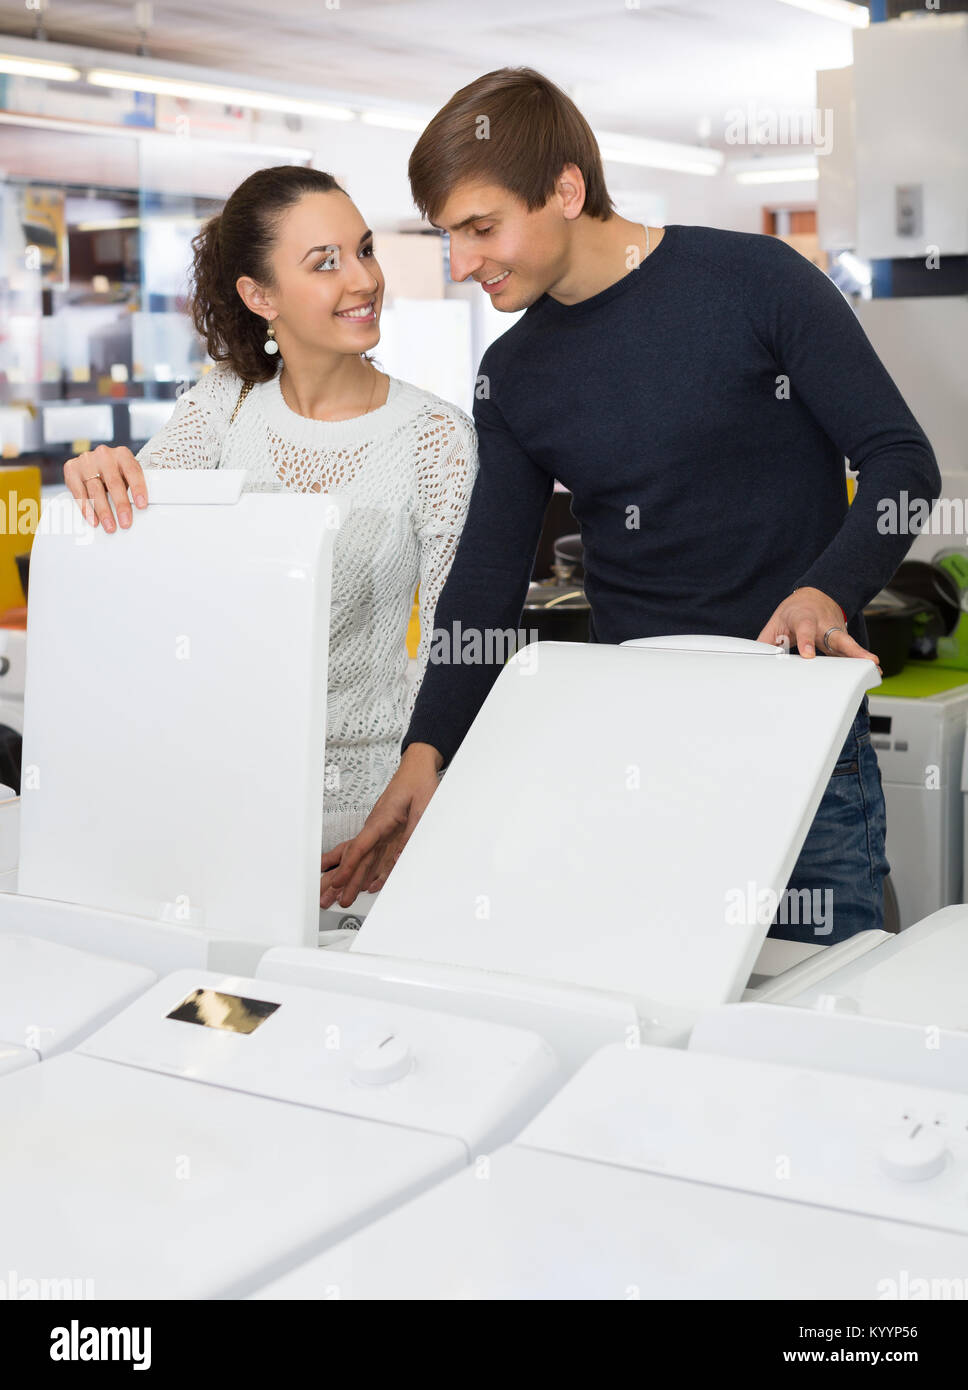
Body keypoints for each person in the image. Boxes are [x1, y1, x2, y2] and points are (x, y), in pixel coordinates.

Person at [320, 67, 941, 943]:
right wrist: (426, 755)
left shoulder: (757, 281)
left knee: (820, 1015)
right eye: (446, 234)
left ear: (566, 190)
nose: (460, 264)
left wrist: (825, 591)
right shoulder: (516, 373)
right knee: (664, 1013)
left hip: (797, 734)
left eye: (480, 227)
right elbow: (488, 580)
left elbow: (901, 464)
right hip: (638, 744)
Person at [63, 164, 478, 860]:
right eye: (326, 263)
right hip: (218, 792)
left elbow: (445, 649)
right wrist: (96, 472)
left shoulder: (436, 436)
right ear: (259, 295)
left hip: (370, 809)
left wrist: (421, 780)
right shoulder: (219, 409)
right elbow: (129, 541)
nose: (365, 279)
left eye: (365, 249)